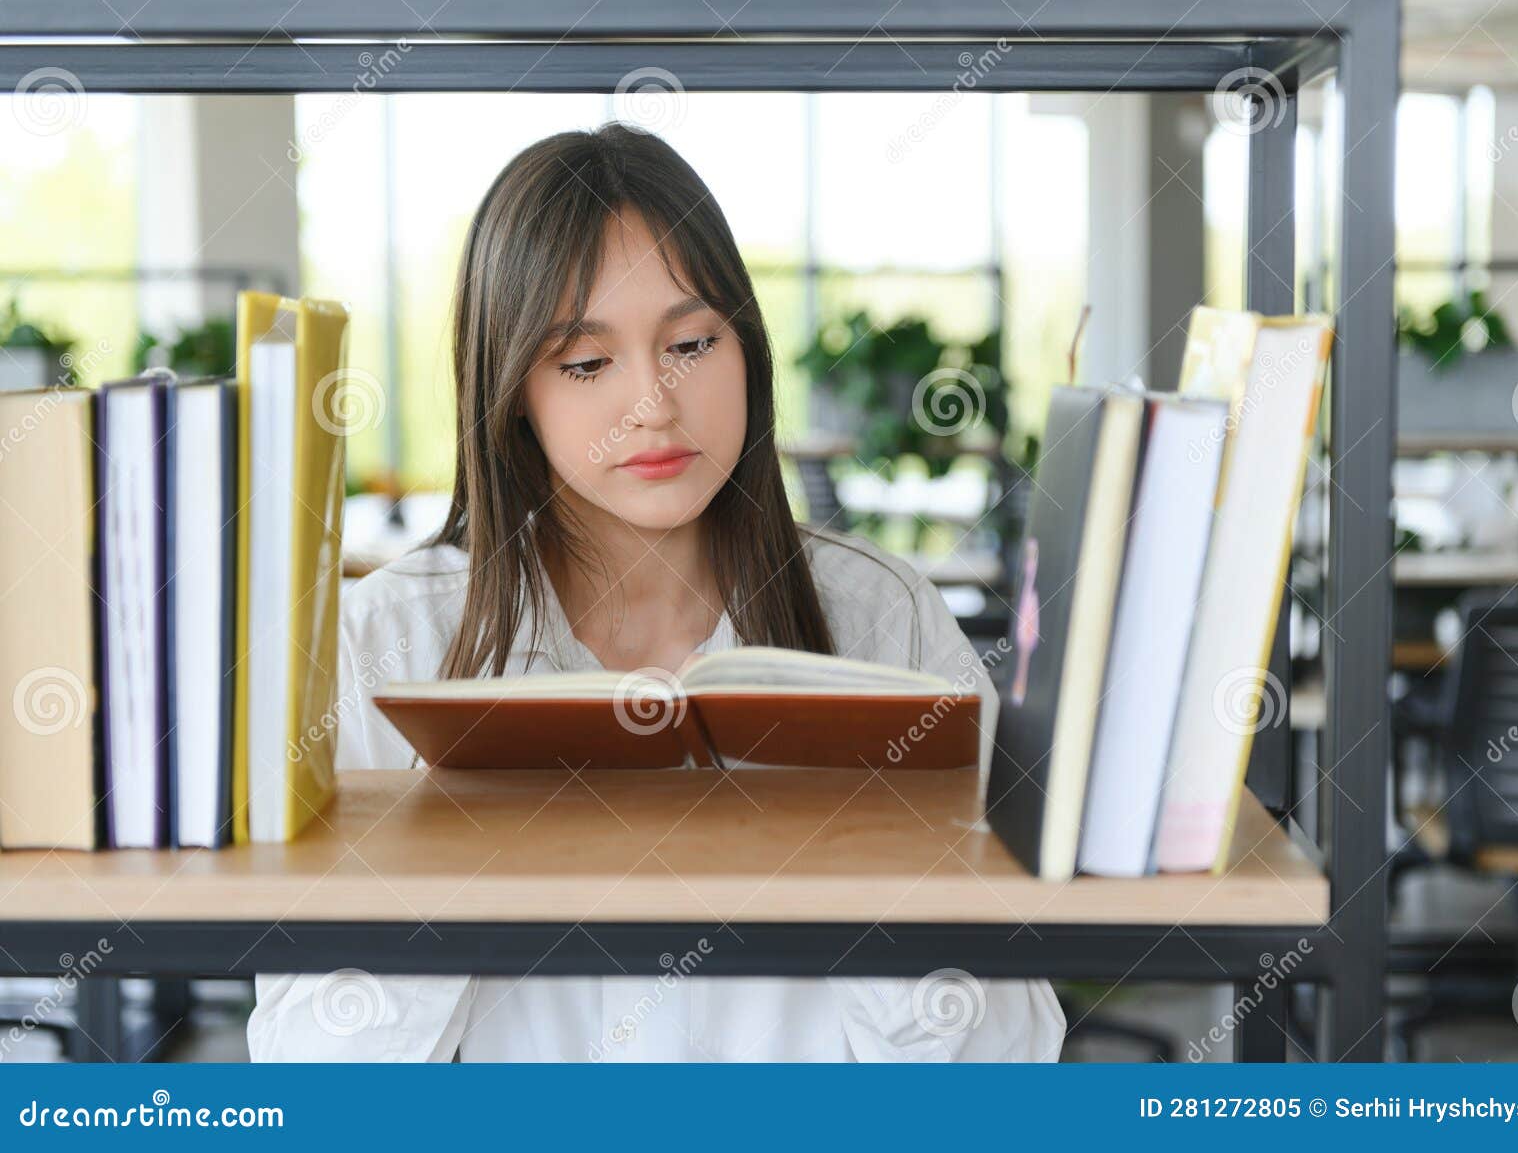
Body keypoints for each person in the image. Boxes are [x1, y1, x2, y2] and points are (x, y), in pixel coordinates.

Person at [248, 122, 1066, 1062]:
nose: (653, 404)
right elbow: (311, 1073)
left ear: (745, 347)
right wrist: (454, 860)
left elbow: (1011, 1058)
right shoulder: (383, 639)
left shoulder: (883, 620)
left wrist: (867, 858)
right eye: (587, 362)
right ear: (516, 389)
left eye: (690, 342)